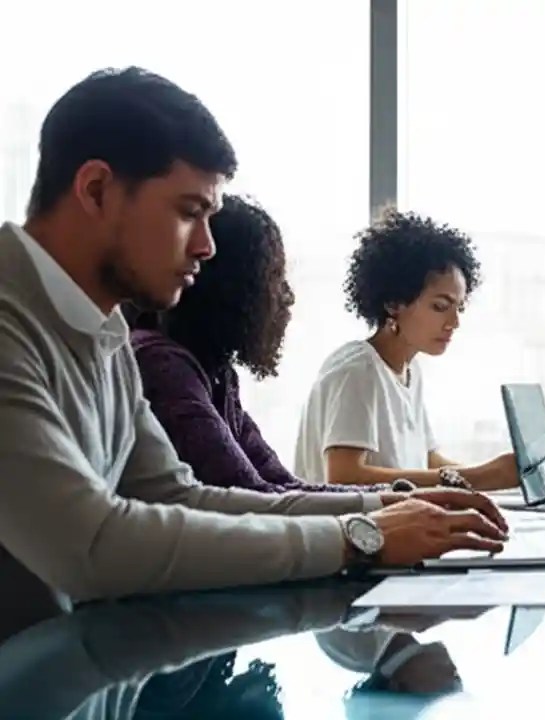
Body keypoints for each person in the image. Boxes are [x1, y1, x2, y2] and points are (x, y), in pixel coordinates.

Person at [0, 67, 506, 608]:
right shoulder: (16, 329)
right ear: (96, 190)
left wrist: (386, 503)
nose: (206, 247)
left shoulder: (107, 336)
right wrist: (364, 537)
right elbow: (95, 546)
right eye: (189, 212)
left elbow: (183, 498)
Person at [129, 193, 399, 498]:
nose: (286, 295)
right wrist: (388, 503)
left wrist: (398, 497)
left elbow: (282, 483)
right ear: (235, 287)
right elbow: (251, 496)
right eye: (274, 277)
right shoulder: (163, 365)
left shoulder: (218, 373)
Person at [294, 209, 518, 491]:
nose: (455, 322)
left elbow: (426, 459)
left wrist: (498, 476)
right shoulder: (357, 371)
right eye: (440, 307)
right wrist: (481, 477)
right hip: (354, 533)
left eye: (458, 307)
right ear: (393, 303)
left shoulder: (409, 371)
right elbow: (344, 476)